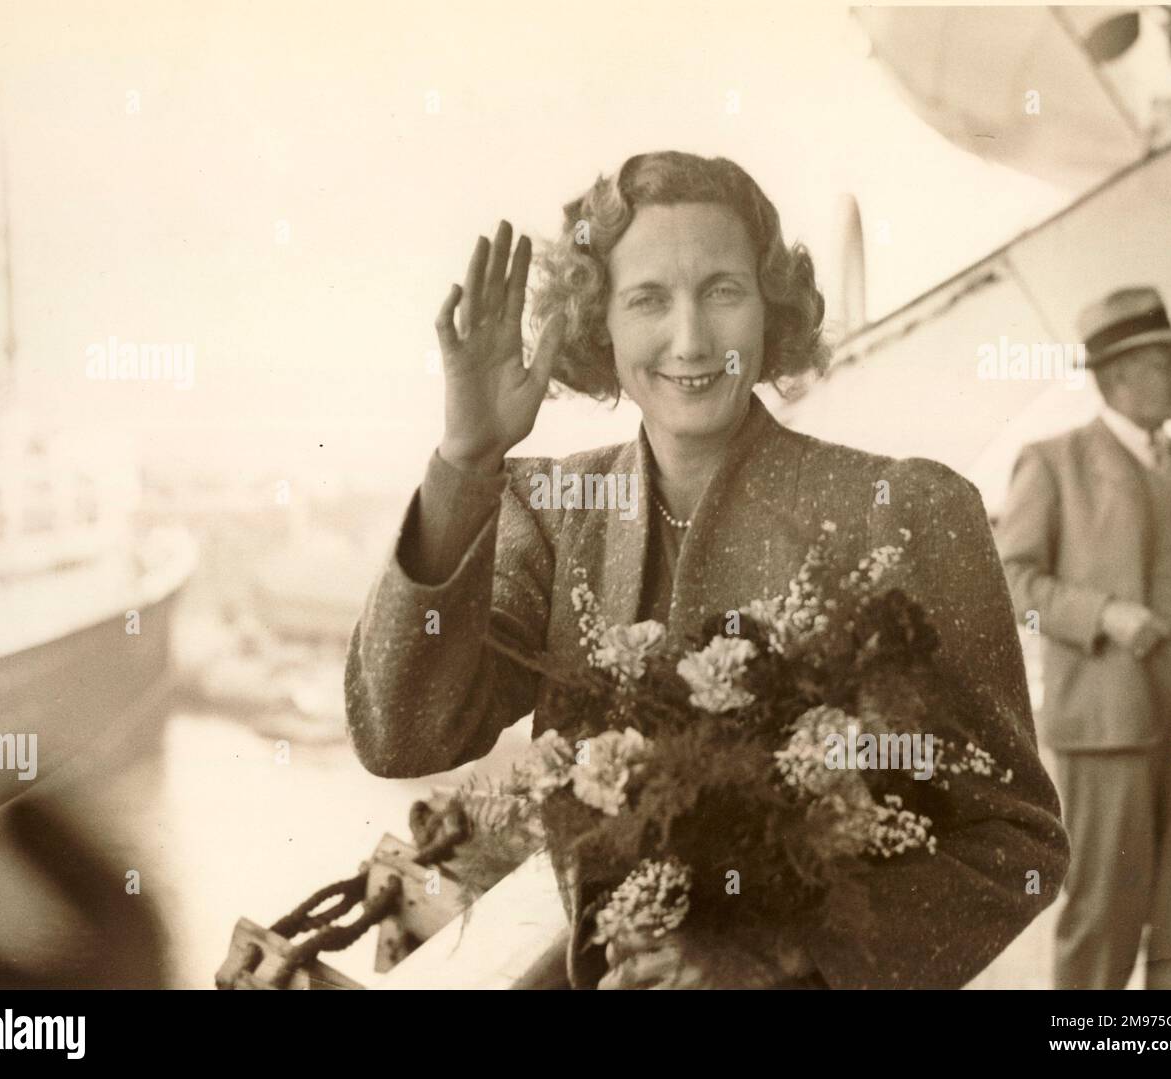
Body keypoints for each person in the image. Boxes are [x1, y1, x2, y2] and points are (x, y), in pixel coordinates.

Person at [345, 150, 1068, 988]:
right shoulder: (547, 509)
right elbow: (402, 732)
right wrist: (466, 457)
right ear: (597, 324)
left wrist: (783, 958)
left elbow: (1017, 842)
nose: (691, 340)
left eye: (723, 290)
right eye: (648, 298)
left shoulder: (905, 508)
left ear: (770, 309)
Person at [995, 285, 1171, 989]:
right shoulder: (1053, 461)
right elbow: (1014, 582)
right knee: (1105, 911)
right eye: (1170, 361)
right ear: (1120, 375)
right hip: (1109, 728)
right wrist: (1103, 614)